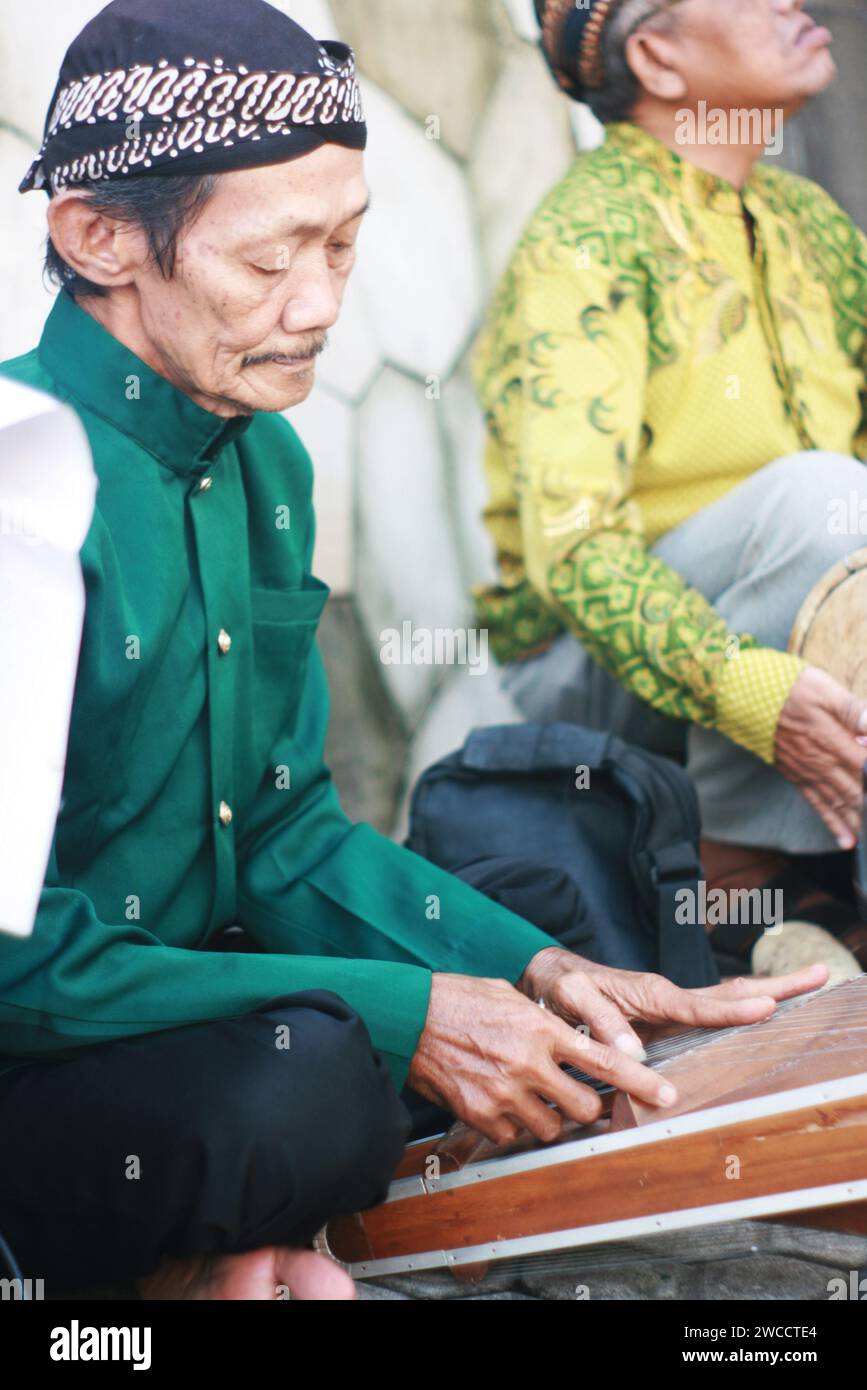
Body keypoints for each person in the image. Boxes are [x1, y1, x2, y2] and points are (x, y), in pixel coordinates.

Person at [0, 0, 824, 1302]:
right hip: (45, 1048)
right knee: (315, 1074)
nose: (320, 304)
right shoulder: (18, 491)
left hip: (197, 1014)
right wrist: (418, 1014)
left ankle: (229, 1253)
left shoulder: (263, 458)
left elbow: (282, 834)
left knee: (569, 962)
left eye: (342, 244)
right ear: (99, 238)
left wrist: (530, 970)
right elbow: (16, 966)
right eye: (271, 262)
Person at [474, 0, 867, 967]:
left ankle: (819, 897)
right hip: (584, 668)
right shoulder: (586, 236)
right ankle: (743, 889)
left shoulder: (805, 222)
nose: (791, 5)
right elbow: (576, 551)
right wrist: (747, 688)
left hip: (798, 600)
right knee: (821, 502)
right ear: (654, 55)